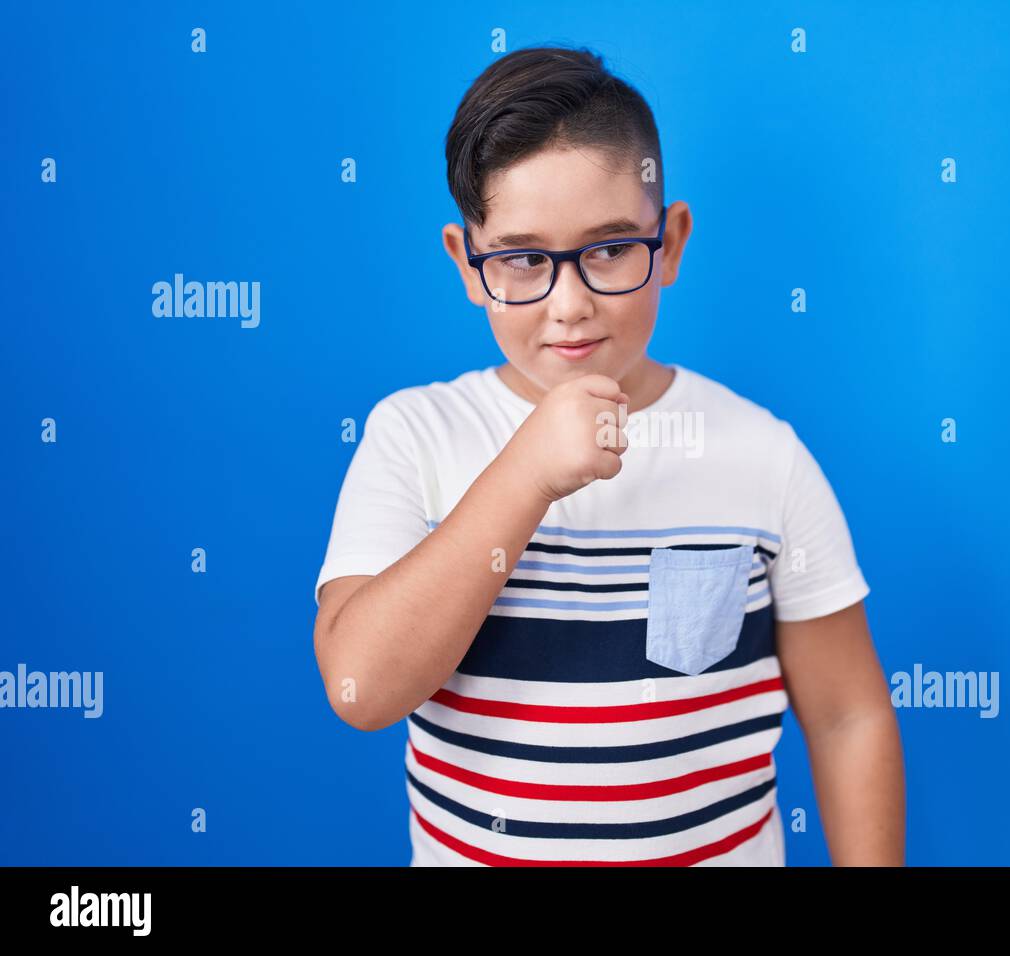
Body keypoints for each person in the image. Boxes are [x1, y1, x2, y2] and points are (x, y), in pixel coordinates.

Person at [313, 45, 904, 866]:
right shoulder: (415, 435)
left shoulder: (762, 456)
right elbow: (361, 687)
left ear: (669, 245)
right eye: (522, 259)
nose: (570, 303)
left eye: (610, 249)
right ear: (467, 264)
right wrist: (525, 472)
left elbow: (848, 715)